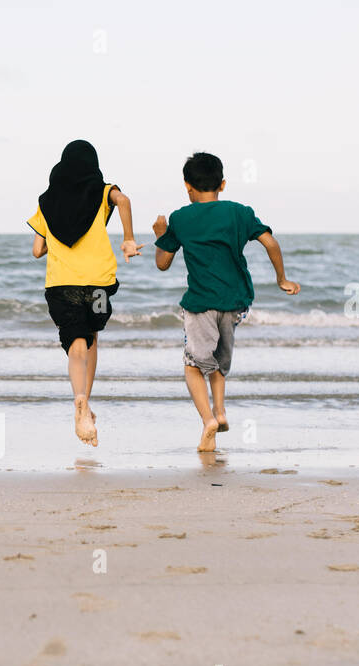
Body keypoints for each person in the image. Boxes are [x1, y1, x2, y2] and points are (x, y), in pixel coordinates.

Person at [153, 152, 299, 452]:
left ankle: (207, 420)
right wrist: (281, 279)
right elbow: (270, 242)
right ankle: (220, 412)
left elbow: (162, 263)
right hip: (235, 302)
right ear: (222, 183)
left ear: (187, 186)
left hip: (200, 303)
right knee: (218, 361)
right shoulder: (240, 213)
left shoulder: (180, 218)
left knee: (193, 364)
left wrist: (160, 235)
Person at [28, 140, 142, 447]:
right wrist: (129, 239)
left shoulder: (46, 201)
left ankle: (79, 401)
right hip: (99, 284)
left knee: (75, 344)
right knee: (92, 338)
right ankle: (87, 404)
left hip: (61, 285)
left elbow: (38, 250)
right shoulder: (103, 191)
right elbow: (125, 200)